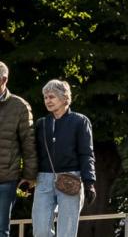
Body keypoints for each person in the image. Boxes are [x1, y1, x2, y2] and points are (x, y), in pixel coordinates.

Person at [32, 79, 95, 237]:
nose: (48, 101)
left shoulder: (80, 121)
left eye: (52, 97)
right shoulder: (41, 124)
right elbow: (33, 153)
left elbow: (86, 154)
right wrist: (28, 176)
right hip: (44, 179)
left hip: (70, 178)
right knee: (40, 231)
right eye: (45, 97)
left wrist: (89, 182)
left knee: (66, 233)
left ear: (64, 98)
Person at [0, 62, 37, 237]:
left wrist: (29, 176)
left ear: (3, 79)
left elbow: (29, 145)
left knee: (1, 230)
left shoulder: (20, 106)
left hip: (5, 179)